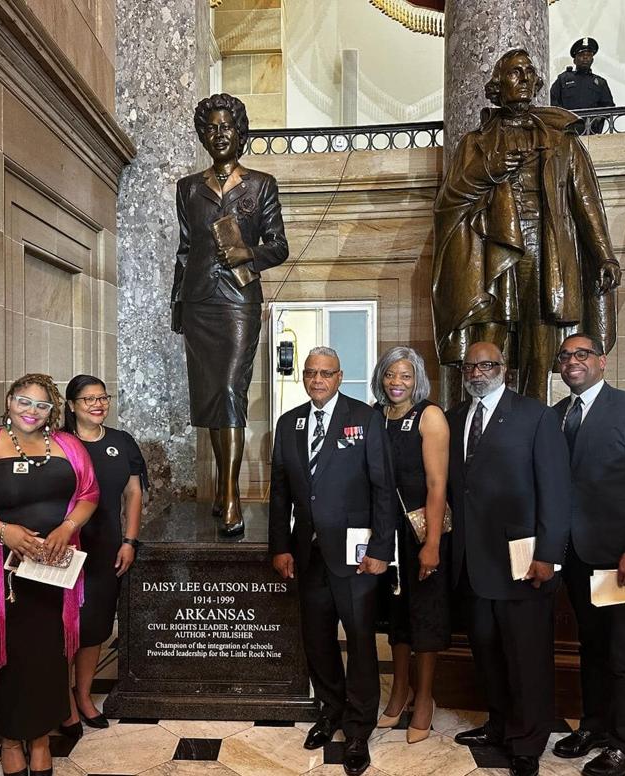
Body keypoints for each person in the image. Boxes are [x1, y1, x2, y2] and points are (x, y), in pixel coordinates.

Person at [431, 48, 621, 404]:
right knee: (488, 335)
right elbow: (448, 201)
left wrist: (604, 255)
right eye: (514, 73)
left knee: (540, 339)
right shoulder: (477, 143)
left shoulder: (561, 138)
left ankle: (534, 419)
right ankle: (479, 416)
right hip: (491, 251)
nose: (523, 79)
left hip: (546, 247)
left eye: (528, 73)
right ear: (497, 86)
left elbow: (586, 203)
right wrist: (488, 170)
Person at [0, 374, 98, 776]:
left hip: (54, 574)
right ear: (9, 400)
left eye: (41, 405)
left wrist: (66, 529)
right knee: (7, 657)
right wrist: (6, 532)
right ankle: (9, 739)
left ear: (51, 410)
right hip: (2, 577)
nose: (31, 411)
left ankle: (40, 740)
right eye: (24, 401)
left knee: (49, 658)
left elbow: (89, 494)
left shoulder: (68, 445)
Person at [446, 341, 570, 776]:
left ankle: (527, 740)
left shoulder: (536, 416)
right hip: (473, 564)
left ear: (505, 370)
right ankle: (498, 725)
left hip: (522, 562)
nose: (478, 372)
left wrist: (549, 556)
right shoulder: (455, 416)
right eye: (470, 365)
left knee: (526, 656)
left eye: (487, 365)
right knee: (487, 651)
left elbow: (555, 490)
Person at [269, 347, 394, 776]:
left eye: (325, 373)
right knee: (318, 639)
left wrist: (381, 550)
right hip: (309, 554)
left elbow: (382, 488)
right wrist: (279, 547)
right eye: (310, 373)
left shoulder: (366, 418)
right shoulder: (289, 424)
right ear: (304, 378)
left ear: (340, 377)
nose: (317, 380)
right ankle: (331, 710)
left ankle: (358, 728)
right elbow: (280, 492)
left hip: (356, 557)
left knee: (360, 640)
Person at [171, 92, 289, 535]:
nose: (219, 134)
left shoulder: (261, 184)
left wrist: (246, 251)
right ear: (203, 135)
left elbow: (279, 246)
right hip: (200, 301)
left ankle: (233, 494)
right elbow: (184, 252)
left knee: (230, 389)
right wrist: (177, 306)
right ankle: (222, 487)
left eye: (227, 127)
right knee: (211, 398)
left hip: (239, 300)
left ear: (241, 133)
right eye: (211, 128)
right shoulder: (188, 187)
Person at [551, 334, 625, 776]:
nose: (572, 362)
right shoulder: (557, 414)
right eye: (565, 356)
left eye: (582, 354)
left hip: (622, 557)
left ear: (602, 361)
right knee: (592, 645)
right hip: (578, 556)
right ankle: (595, 726)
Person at [369, 347, 450, 744]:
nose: (396, 383)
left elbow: (437, 485)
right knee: (396, 618)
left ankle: (424, 699)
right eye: (390, 375)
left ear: (416, 378)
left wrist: (432, 544)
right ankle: (398, 693)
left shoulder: (429, 415)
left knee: (425, 618)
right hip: (388, 535)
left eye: (404, 375)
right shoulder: (375, 414)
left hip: (422, 531)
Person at [60, 374, 147, 735]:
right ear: (71, 406)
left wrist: (129, 541)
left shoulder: (121, 442)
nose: (98, 404)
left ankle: (83, 696)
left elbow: (134, 494)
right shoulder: (59, 443)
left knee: (94, 628)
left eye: (102, 398)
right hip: (62, 550)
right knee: (64, 629)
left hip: (106, 550)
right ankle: (62, 704)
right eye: (88, 399)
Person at [549, 37, 615, 111]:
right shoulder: (563, 79)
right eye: (581, 55)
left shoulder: (600, 83)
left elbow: (608, 108)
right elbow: (553, 102)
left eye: (589, 55)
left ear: (592, 60)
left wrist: (595, 119)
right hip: (568, 121)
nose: (585, 58)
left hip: (592, 122)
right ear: (574, 61)